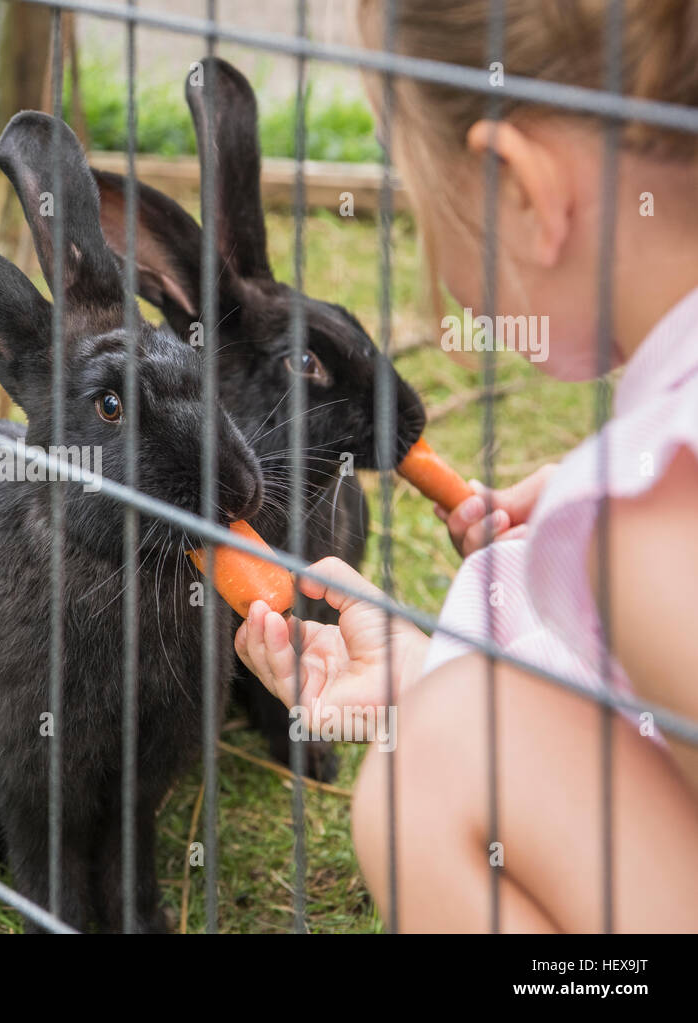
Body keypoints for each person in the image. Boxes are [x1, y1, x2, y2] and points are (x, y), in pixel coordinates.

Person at [235, 0, 698, 931]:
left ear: (518, 191)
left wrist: (451, 711)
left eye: (410, 192)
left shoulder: (656, 524)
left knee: (429, 777)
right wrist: (431, 668)